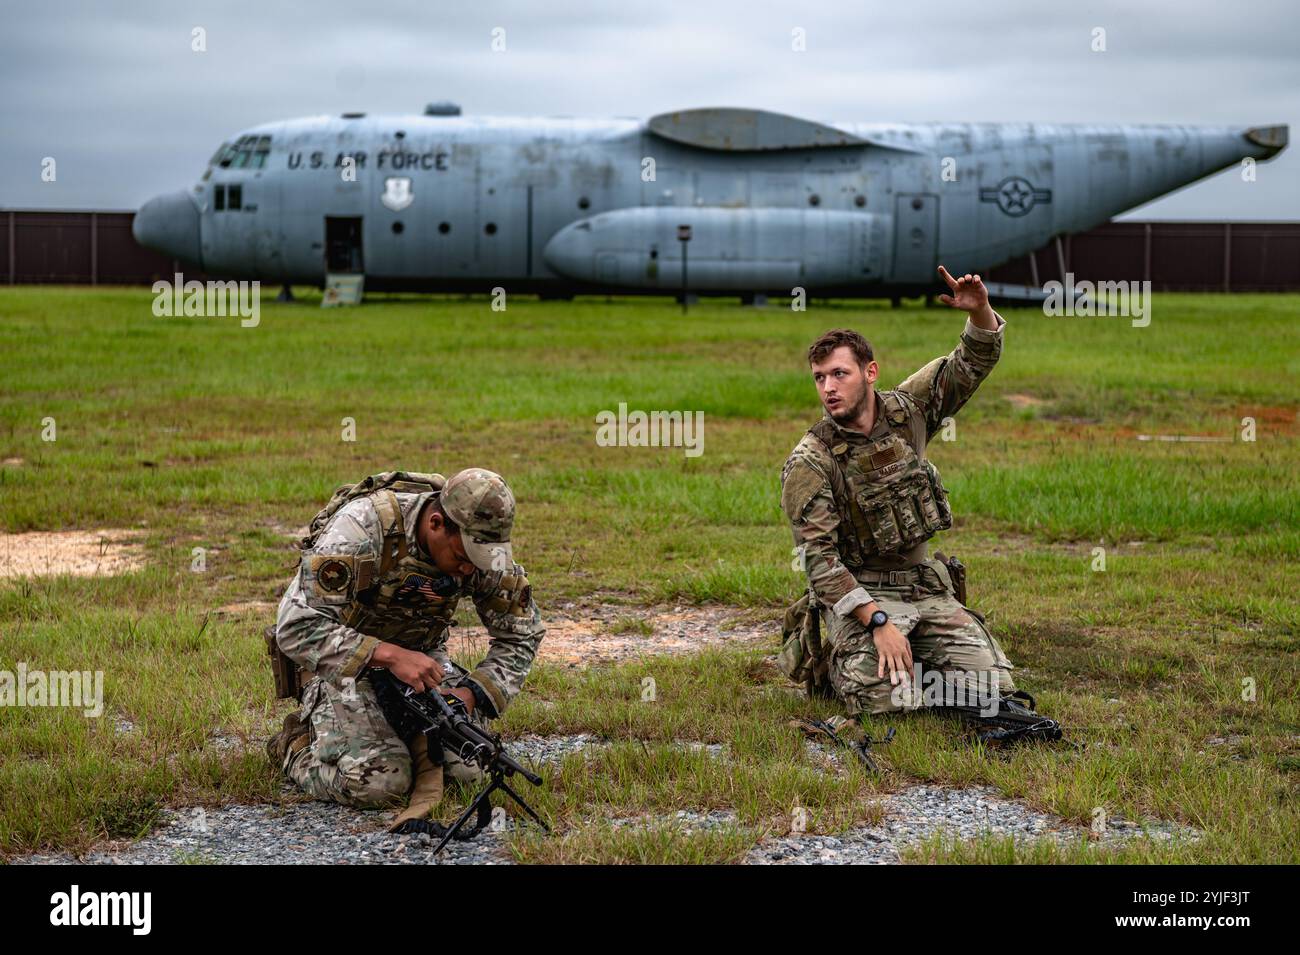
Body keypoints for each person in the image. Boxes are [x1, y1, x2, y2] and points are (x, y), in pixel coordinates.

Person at [780, 266, 1018, 717]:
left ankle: (921, 654)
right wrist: (879, 622)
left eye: (839, 374)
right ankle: (841, 663)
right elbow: (819, 561)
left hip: (924, 588)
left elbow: (969, 365)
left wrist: (980, 311)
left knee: (994, 691)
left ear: (870, 372)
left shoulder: (908, 411)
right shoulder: (811, 461)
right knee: (882, 701)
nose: (828, 388)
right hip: (862, 598)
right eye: (819, 377)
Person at [265, 467, 543, 827]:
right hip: (346, 668)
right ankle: (294, 745)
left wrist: (472, 694)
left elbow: (522, 633)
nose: (468, 569)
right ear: (437, 523)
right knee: (380, 783)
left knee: (468, 769)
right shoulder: (363, 528)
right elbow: (295, 626)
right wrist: (390, 655)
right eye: (463, 556)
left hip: (423, 666)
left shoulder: (481, 551)